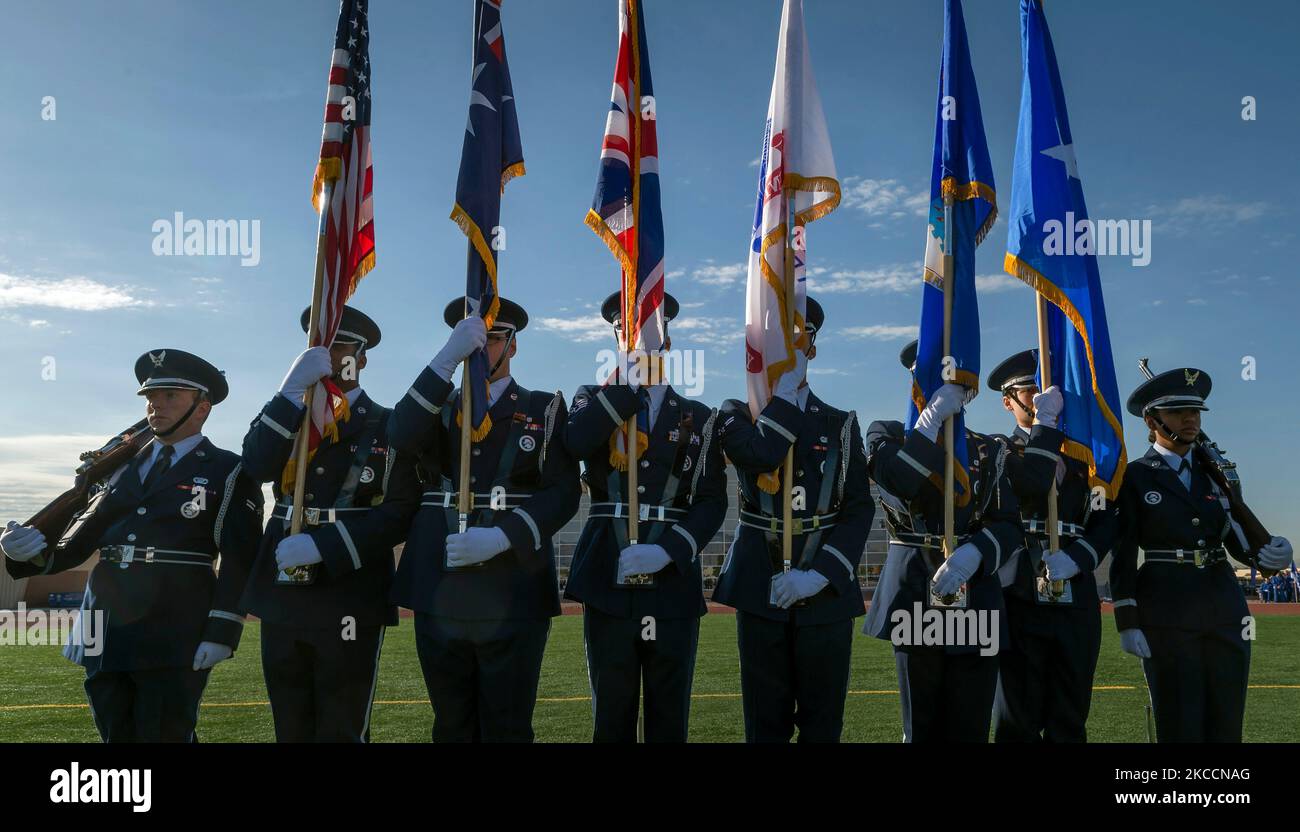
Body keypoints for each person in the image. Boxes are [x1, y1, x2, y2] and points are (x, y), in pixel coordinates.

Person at [0, 349, 263, 742]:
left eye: (170, 395)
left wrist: (222, 630)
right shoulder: (118, 464)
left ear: (202, 407)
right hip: (104, 622)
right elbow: (82, 540)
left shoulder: (229, 470)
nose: (156, 404)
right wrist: (28, 552)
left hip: (175, 625)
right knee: (114, 734)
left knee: (165, 734)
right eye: (151, 397)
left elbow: (241, 559)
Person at [388, 297, 580, 742]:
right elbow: (398, 435)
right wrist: (443, 362)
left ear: (512, 346)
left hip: (514, 589)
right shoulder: (437, 405)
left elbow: (563, 492)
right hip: (439, 587)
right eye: (470, 339)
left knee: (508, 727)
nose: (480, 349)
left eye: (491, 339)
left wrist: (504, 537)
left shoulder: (543, 408)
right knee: (451, 726)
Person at [238, 305, 419, 742]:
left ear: (362, 356)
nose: (328, 352)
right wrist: (286, 393)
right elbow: (256, 466)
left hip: (350, 594)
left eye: (338, 343)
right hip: (283, 592)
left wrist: (328, 546)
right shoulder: (289, 417)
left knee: (342, 728)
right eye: (318, 342)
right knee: (290, 726)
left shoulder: (390, 424)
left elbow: (400, 511)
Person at [563, 292, 728, 742]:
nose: (640, 337)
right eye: (629, 328)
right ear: (616, 336)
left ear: (668, 339)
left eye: (650, 328)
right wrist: (625, 391)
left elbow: (712, 500)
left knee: (668, 718)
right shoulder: (592, 399)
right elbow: (574, 442)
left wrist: (669, 549)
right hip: (607, 578)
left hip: (672, 583)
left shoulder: (700, 416)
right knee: (611, 718)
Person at [713, 297, 874, 743]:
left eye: (797, 339)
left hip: (824, 591)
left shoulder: (841, 424)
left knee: (823, 726)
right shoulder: (733, 413)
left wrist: (821, 576)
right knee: (765, 726)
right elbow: (759, 453)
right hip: (759, 581)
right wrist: (782, 401)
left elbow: (859, 507)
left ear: (811, 347)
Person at [1112, 367, 1293, 742]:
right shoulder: (1135, 476)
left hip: (1224, 608)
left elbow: (1236, 535)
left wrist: (1270, 552)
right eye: (1179, 411)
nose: (1190, 419)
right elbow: (1124, 551)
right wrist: (1127, 619)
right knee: (1179, 721)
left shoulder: (1217, 473)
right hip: (1166, 609)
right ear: (1152, 419)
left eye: (1195, 411)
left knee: (1226, 721)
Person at [861, 340, 1022, 742]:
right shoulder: (887, 434)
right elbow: (900, 483)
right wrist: (929, 421)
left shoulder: (988, 448)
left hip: (976, 595)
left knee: (969, 727)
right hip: (915, 591)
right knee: (921, 729)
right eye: (933, 374)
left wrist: (975, 552)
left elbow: (1008, 524)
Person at [985, 349, 1116, 743]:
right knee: (1017, 720)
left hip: (1076, 597)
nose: (1040, 395)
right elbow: (1024, 492)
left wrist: (1079, 558)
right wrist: (1045, 428)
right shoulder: (997, 452)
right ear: (1008, 401)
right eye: (1030, 390)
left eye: (1045, 387)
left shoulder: (1085, 459)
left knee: (1070, 718)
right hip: (1019, 594)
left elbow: (1108, 518)